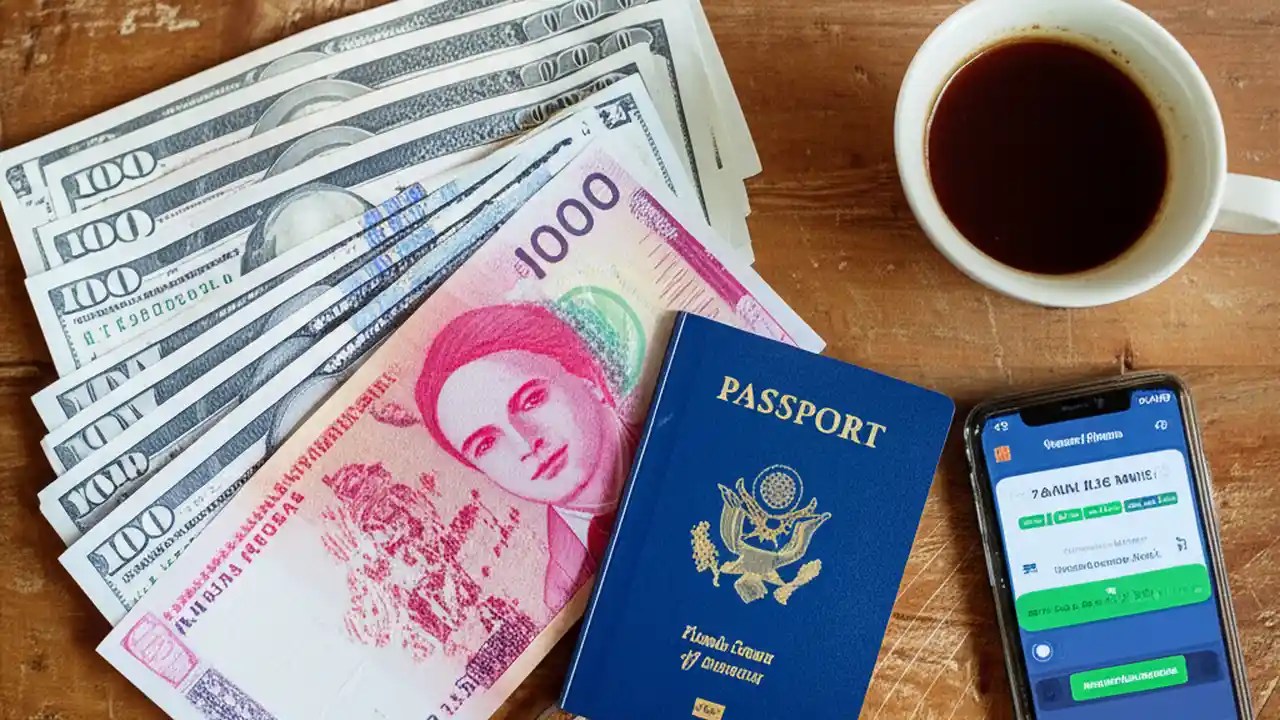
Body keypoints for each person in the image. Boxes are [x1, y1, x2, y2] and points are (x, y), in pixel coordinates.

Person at [415, 303, 637, 611]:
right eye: (486, 444)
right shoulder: (563, 592)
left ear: (586, 376)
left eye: (531, 399)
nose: (525, 443)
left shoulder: (693, 420)